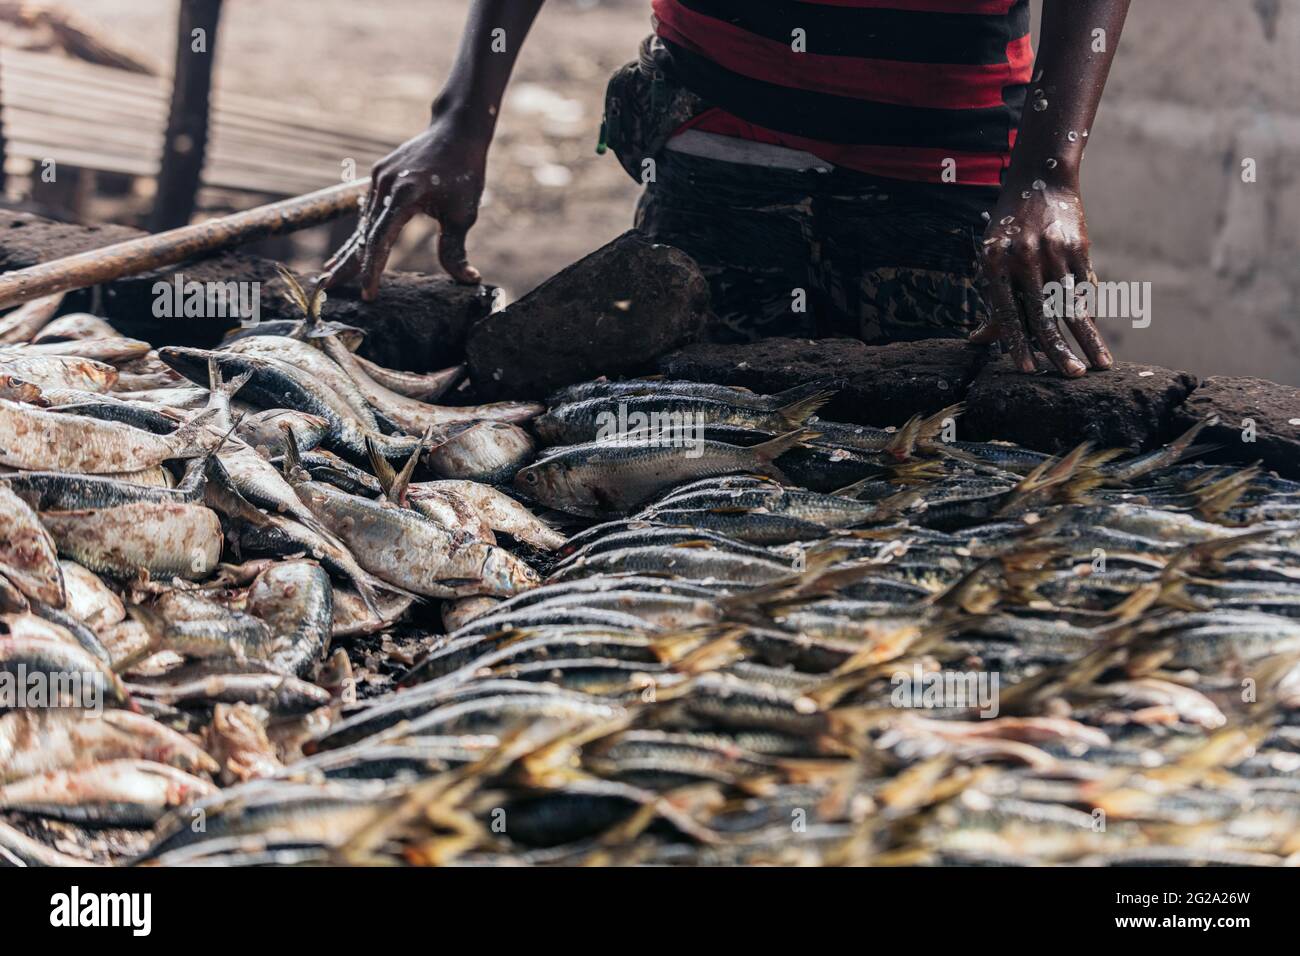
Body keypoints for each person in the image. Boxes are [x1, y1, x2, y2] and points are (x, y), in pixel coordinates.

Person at [319, 0, 1130, 378]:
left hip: (944, 168)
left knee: (925, 471)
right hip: (714, 135)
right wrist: (462, 119)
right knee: (684, 453)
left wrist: (1047, 173)